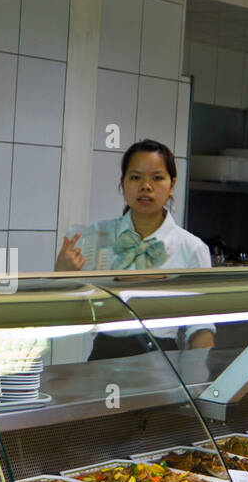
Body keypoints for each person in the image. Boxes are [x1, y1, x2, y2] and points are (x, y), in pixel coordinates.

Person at [55, 139, 214, 356]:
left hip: (161, 363)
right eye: (135, 177)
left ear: (172, 185)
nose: (146, 186)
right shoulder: (94, 238)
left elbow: (201, 327)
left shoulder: (191, 248)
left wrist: (202, 381)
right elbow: (65, 312)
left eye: (157, 178)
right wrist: (62, 275)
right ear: (123, 184)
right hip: (104, 357)